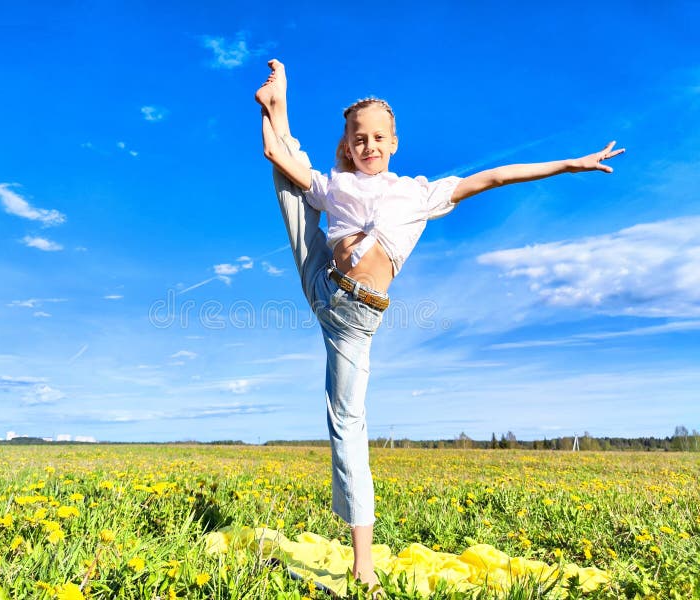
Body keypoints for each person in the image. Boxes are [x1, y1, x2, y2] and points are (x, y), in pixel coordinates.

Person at [255, 58, 623, 591]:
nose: (369, 146)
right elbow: (273, 152)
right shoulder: (334, 185)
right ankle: (278, 102)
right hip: (322, 280)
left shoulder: (418, 193)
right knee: (288, 179)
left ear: (395, 142)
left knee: (347, 427)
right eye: (358, 138)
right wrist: (275, 122)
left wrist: (573, 163)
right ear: (348, 144)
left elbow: (495, 176)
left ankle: (363, 564)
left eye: (379, 137)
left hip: (352, 321)